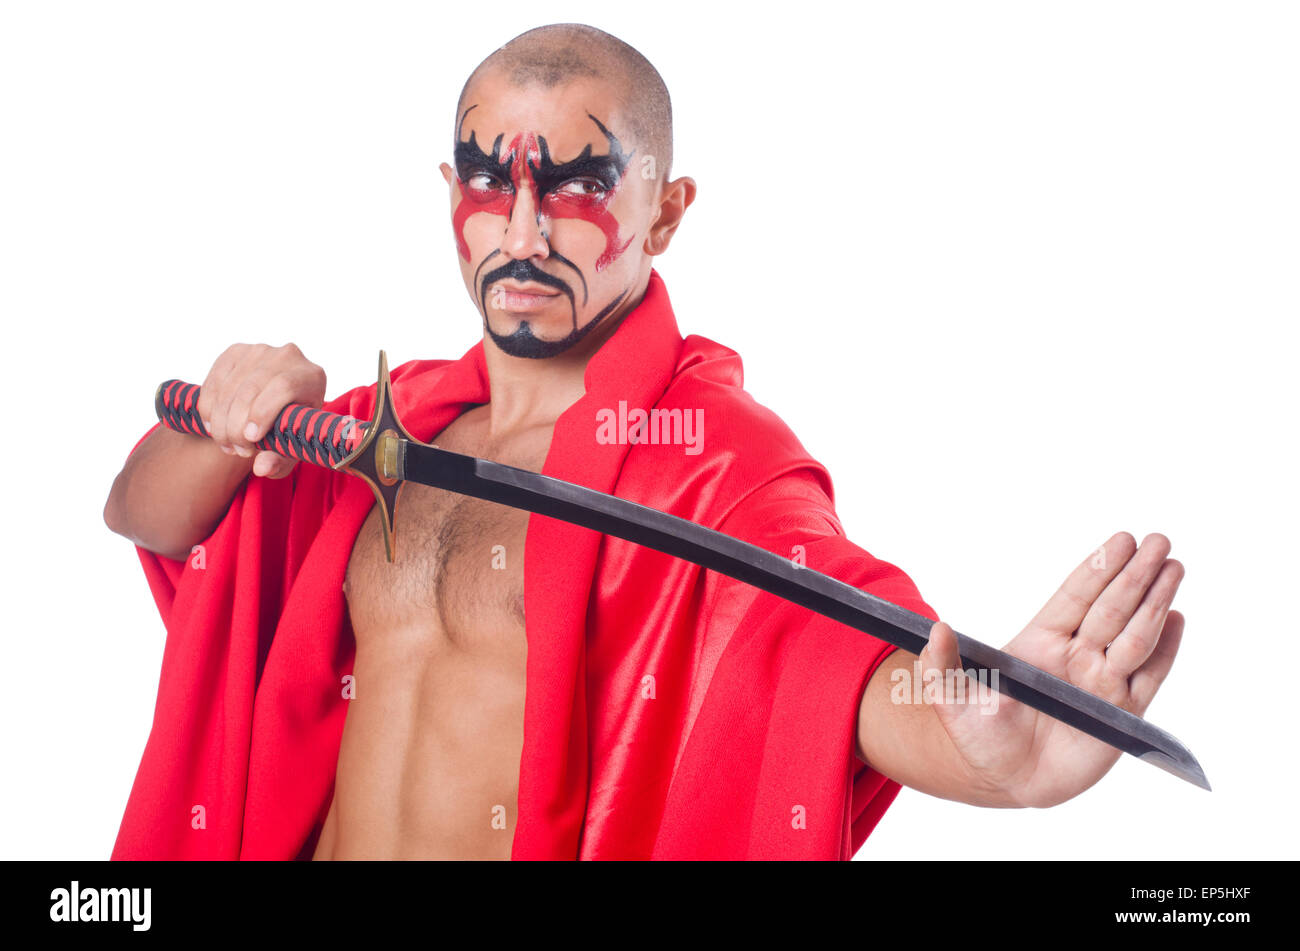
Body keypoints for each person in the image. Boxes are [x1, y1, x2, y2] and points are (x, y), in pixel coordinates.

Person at [103, 23, 1186, 860]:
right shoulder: (378, 434)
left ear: (663, 214)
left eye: (576, 188)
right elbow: (147, 517)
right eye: (489, 182)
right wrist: (236, 412)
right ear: (449, 195)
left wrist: (983, 752)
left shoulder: (708, 454)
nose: (521, 235)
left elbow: (826, 649)